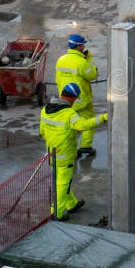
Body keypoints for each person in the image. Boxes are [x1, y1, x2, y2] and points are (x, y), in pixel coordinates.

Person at [40, 83, 108, 221]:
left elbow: (42, 132)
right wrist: (103, 118)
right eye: (76, 99)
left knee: (62, 181)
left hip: (52, 153)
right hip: (65, 156)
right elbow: (83, 125)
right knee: (63, 184)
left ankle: (71, 204)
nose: (75, 102)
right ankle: (56, 213)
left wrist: (54, 141)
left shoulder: (45, 109)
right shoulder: (69, 114)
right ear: (72, 98)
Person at [55, 34, 99, 158]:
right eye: (82, 44)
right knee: (88, 121)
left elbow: (58, 80)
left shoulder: (61, 60)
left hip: (66, 99)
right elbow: (93, 75)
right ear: (78, 46)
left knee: (70, 125)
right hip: (82, 99)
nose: (84, 46)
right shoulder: (82, 62)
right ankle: (85, 146)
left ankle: (72, 150)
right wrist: (89, 59)